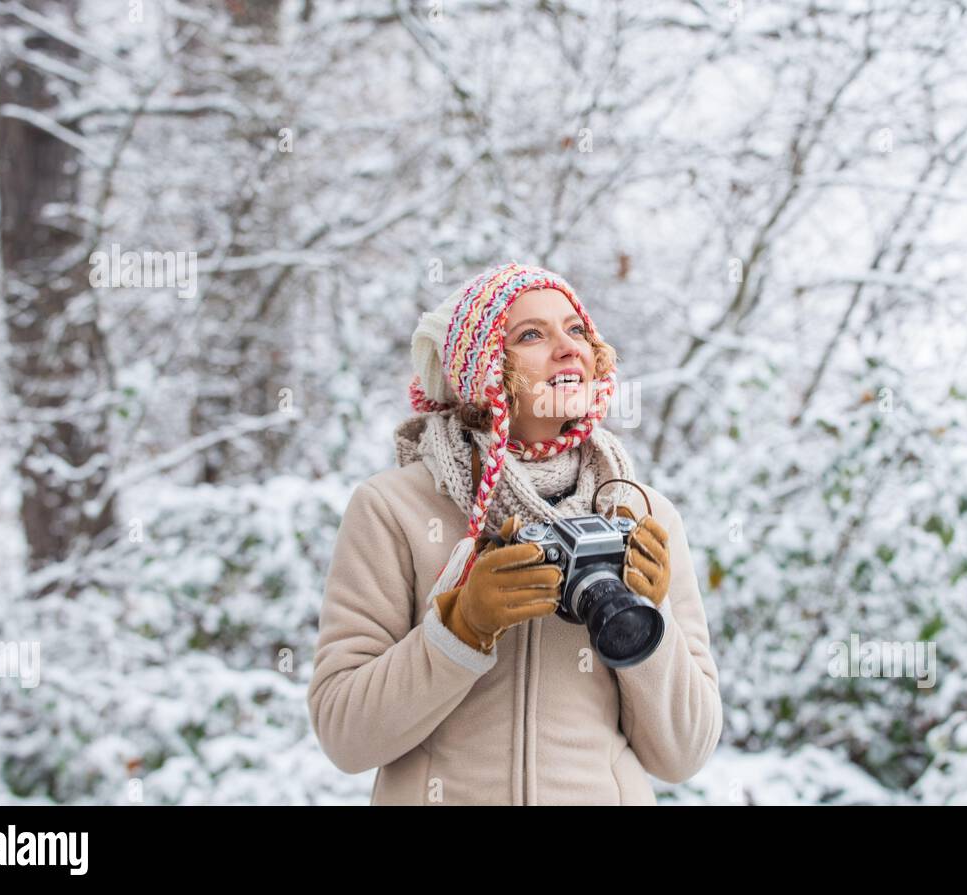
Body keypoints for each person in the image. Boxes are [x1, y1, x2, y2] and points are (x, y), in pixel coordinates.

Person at [306, 260, 722, 805]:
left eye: (577, 331)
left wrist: (649, 617)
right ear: (483, 369)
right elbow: (345, 737)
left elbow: (684, 753)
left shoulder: (641, 513)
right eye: (531, 334)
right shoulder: (393, 508)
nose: (569, 347)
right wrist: (461, 629)